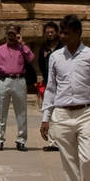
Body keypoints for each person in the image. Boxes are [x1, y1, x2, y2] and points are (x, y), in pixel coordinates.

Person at [40, 14, 90, 181]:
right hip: (61, 113)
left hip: (87, 112)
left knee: (89, 158)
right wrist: (45, 117)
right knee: (69, 162)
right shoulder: (55, 57)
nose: (62, 36)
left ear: (78, 33)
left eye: (67, 33)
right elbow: (50, 88)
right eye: (61, 32)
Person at [0, 24, 36, 150]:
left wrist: (22, 44)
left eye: (13, 34)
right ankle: (0, 139)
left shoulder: (22, 48)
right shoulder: (0, 49)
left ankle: (21, 140)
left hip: (19, 80)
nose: (11, 36)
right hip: (4, 80)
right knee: (1, 112)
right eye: (9, 33)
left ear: (17, 35)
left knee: (21, 112)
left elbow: (31, 58)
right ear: (6, 34)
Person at [36, 21, 61, 151]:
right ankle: (52, 142)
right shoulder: (44, 48)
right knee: (48, 112)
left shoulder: (63, 47)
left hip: (62, 85)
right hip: (48, 83)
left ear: (57, 32)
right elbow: (40, 63)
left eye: (52, 32)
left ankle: (61, 141)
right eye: (47, 32)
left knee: (60, 113)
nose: (50, 34)